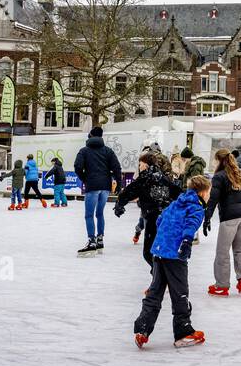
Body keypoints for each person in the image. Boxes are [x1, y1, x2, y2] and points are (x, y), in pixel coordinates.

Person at [132, 175, 209, 350]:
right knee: (180, 292)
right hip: (175, 256)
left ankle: (142, 329)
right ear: (203, 192)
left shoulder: (176, 203)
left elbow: (160, 220)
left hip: (159, 252)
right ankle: (183, 332)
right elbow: (191, 224)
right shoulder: (196, 207)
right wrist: (186, 241)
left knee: (155, 292)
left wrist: (166, 237)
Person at [203, 148, 241, 296]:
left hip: (229, 218)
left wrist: (207, 217)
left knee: (222, 252)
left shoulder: (219, 176)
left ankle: (221, 285)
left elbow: (213, 199)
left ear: (219, 160)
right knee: (240, 250)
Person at [112, 153, 181, 263]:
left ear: (146, 165)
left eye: (140, 165)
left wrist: (119, 205)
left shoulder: (144, 178)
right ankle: (160, 275)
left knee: (148, 252)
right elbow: (178, 193)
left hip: (152, 218)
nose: (139, 167)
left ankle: (160, 275)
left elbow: (128, 192)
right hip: (167, 219)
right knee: (162, 251)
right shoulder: (163, 178)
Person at [74, 127, 122, 255]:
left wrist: (85, 179)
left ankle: (92, 241)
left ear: (90, 136)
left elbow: (77, 166)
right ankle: (100, 239)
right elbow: (117, 168)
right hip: (105, 187)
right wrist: (119, 184)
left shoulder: (84, 151)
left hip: (92, 187)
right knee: (99, 213)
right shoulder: (108, 151)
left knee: (89, 215)